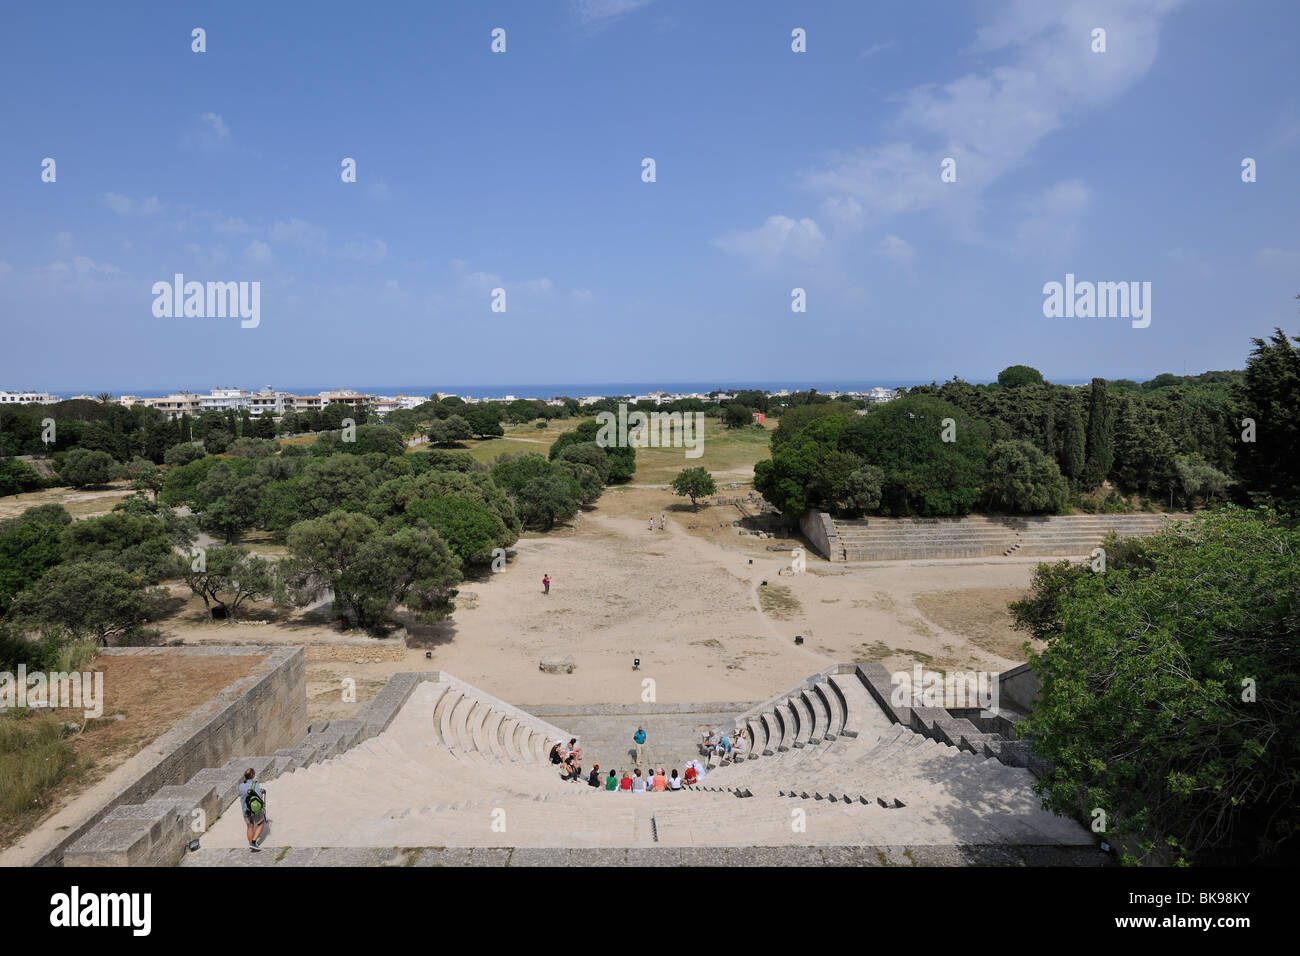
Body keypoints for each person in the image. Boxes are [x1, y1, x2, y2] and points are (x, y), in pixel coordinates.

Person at [238, 768, 267, 851]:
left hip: (245, 810)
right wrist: (261, 791)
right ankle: (254, 842)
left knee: (250, 826)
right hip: (255, 810)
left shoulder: (240, 786)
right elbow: (259, 797)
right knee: (261, 823)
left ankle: (251, 844)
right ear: (253, 775)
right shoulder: (255, 784)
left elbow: (245, 794)